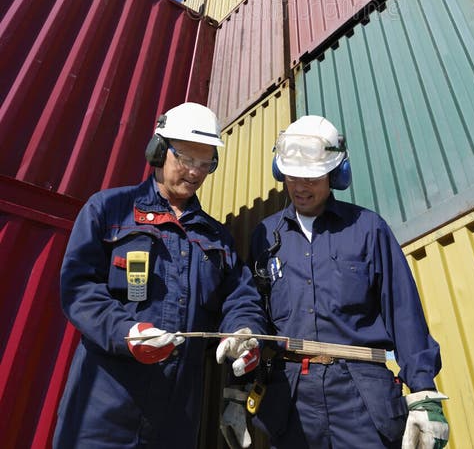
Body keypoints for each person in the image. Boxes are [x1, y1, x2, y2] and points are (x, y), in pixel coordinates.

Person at [53, 102, 267, 449]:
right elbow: (79, 288)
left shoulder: (217, 239)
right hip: (103, 413)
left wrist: (244, 332)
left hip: (176, 422)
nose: (196, 172)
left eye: (206, 162)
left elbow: (240, 298)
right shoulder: (109, 211)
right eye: (185, 158)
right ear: (158, 151)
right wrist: (125, 332)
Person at [244, 115, 450, 449]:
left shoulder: (368, 229)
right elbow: (249, 312)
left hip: (362, 398)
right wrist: (236, 390)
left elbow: (403, 311)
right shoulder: (265, 236)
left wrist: (424, 391)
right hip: (291, 400)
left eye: (312, 177)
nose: (300, 186)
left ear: (336, 174)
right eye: (292, 175)